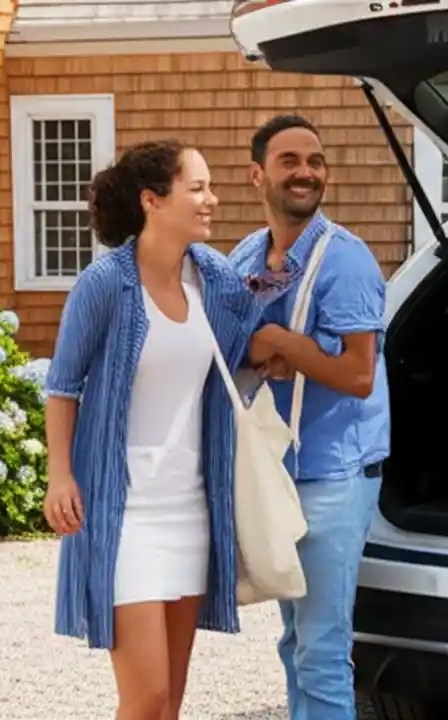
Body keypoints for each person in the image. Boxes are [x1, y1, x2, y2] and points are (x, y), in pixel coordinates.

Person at [41, 139, 261, 720]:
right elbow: (62, 386)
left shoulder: (214, 279)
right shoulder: (105, 284)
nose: (212, 199)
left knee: (173, 702)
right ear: (152, 201)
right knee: (146, 698)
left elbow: (249, 342)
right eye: (198, 188)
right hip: (125, 514)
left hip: (191, 509)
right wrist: (59, 474)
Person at [229, 114, 391, 719]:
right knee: (293, 641)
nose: (306, 172)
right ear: (257, 175)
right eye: (290, 161)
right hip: (275, 469)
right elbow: (230, 347)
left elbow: (356, 375)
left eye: (316, 162)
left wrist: (281, 340)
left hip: (333, 476)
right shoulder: (246, 255)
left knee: (321, 649)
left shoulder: (345, 262)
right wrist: (266, 348)